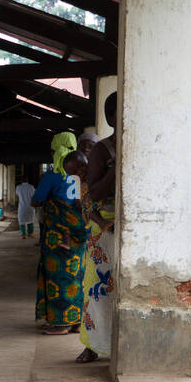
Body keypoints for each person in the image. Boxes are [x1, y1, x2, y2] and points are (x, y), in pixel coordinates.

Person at [33, 134, 90, 335]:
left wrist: (52, 203)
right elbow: (79, 205)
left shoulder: (54, 175)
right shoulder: (82, 175)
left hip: (58, 235)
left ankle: (61, 323)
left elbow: (37, 199)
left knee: (59, 277)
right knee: (76, 276)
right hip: (79, 236)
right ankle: (75, 321)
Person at [78, 93, 118, 364]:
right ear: (112, 118)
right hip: (103, 229)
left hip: (127, 228)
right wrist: (116, 169)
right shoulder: (104, 150)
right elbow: (93, 192)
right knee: (98, 289)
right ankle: (92, 344)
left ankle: (115, 344)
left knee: (120, 289)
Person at [16, 171, 37, 238]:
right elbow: (34, 196)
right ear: (27, 180)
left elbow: (17, 195)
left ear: (21, 181)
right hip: (30, 206)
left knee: (22, 220)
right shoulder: (31, 187)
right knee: (30, 220)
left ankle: (23, 234)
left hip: (22, 207)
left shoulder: (18, 187)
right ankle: (30, 233)